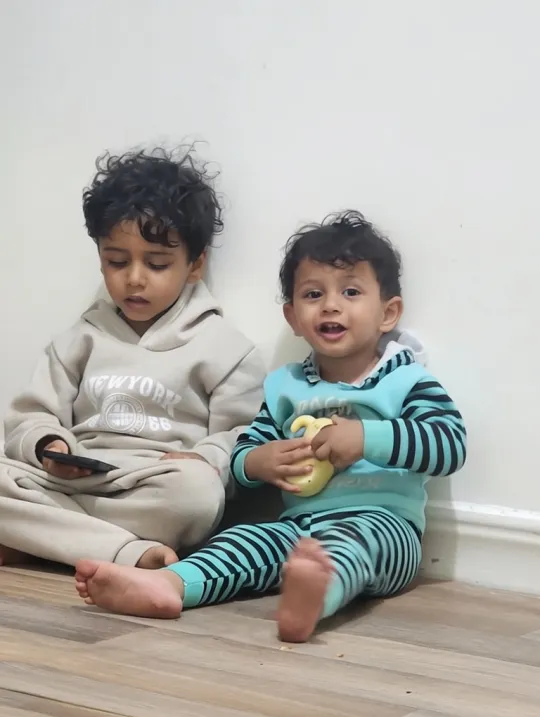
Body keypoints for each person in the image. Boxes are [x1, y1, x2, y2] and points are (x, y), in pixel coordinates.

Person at [74, 210, 467, 641]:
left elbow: (449, 444)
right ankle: (170, 585)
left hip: (386, 525)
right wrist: (259, 462)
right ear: (293, 317)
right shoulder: (286, 387)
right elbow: (245, 453)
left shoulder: (405, 380)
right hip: (298, 529)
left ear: (388, 313)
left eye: (351, 292)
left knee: (356, 546)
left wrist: (365, 437)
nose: (331, 305)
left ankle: (316, 597)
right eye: (313, 294)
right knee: (242, 542)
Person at [0, 147, 265, 569]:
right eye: (116, 261)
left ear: (195, 264)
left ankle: (43, 536)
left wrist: (205, 458)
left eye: (157, 264)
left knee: (198, 495)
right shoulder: (79, 339)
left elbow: (243, 439)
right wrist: (51, 445)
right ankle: (128, 550)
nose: (134, 278)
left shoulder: (226, 349)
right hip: (74, 479)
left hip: (153, 485)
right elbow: (29, 418)